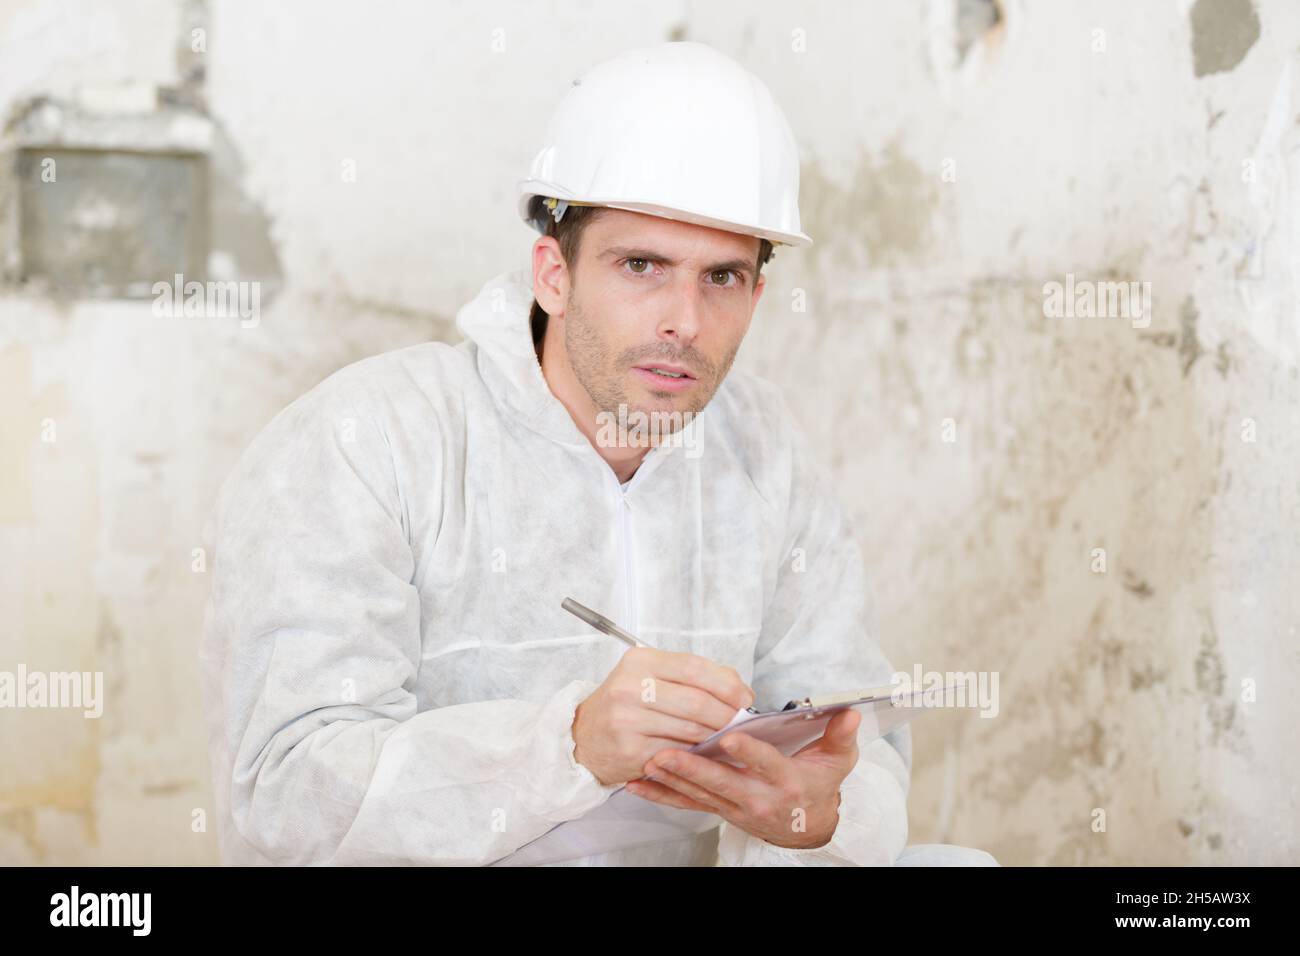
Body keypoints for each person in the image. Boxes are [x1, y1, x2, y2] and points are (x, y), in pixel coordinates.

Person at [199, 40, 997, 867]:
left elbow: (856, 745)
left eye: (721, 278)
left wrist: (819, 818)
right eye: (641, 265)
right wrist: (570, 747)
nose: (683, 320)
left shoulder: (765, 455)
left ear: (757, 294)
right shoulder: (371, 441)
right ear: (553, 272)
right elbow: (287, 791)